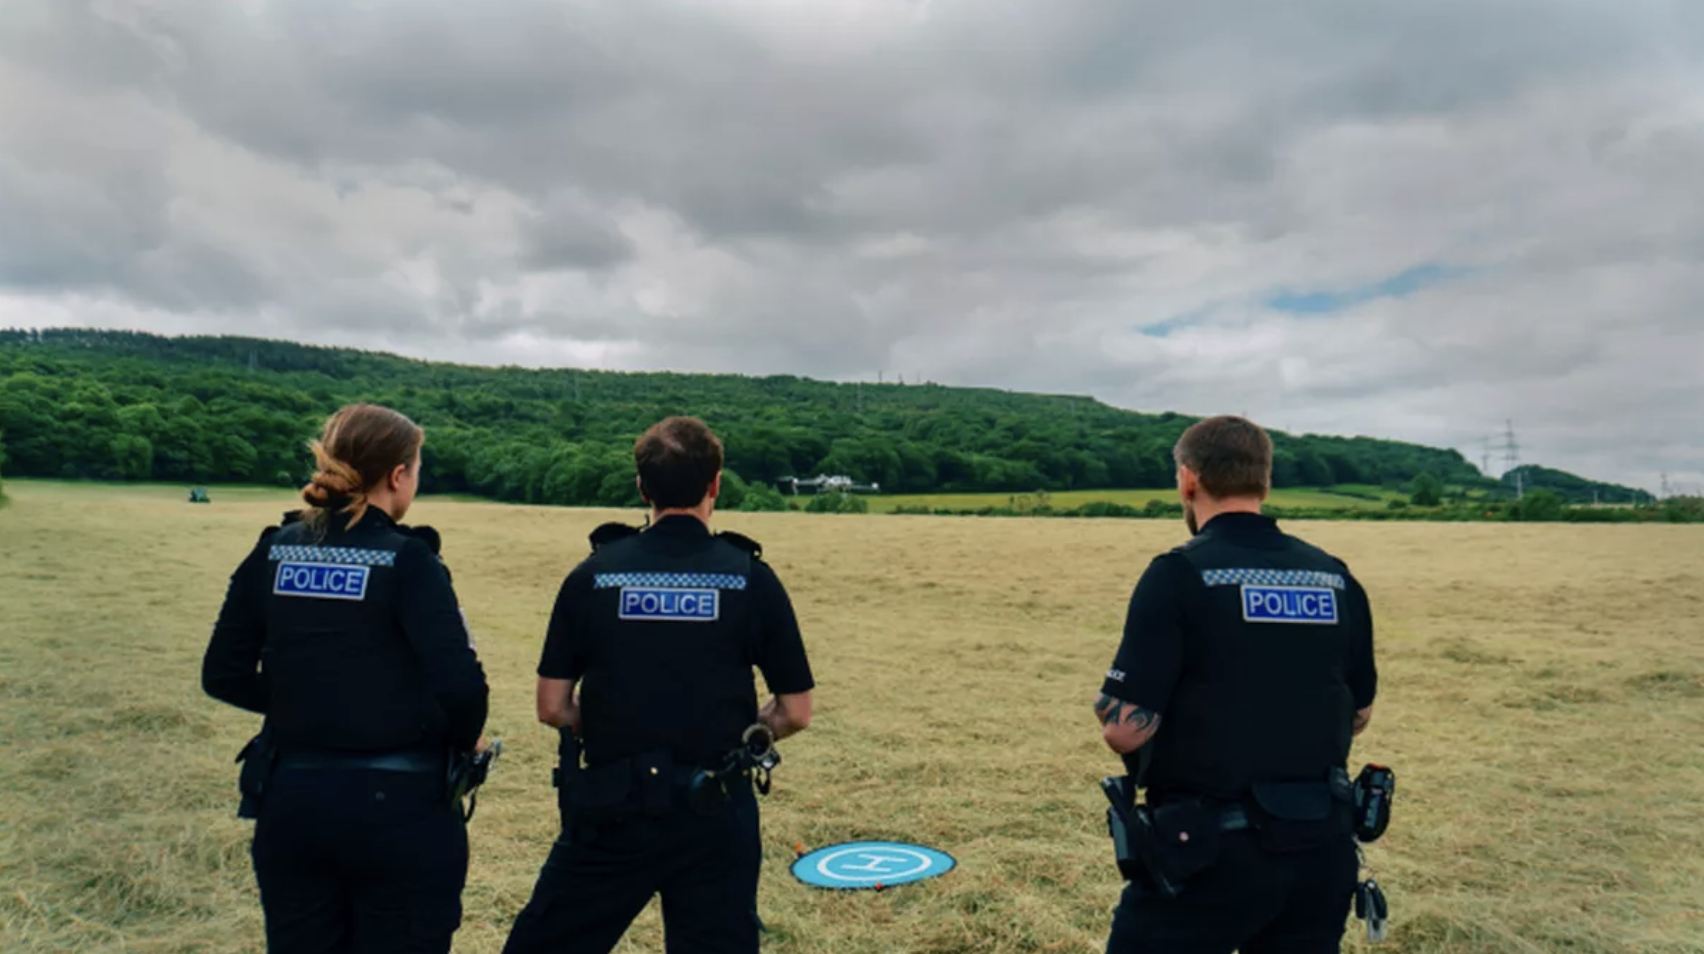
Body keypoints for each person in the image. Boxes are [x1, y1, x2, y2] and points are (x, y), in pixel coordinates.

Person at [504, 416, 815, 954]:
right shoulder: (749, 577)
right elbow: (795, 711)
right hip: (715, 808)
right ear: (715, 484)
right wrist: (746, 738)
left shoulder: (593, 576)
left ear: (641, 486)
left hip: (611, 806)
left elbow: (552, 706)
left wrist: (609, 729)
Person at [201, 403, 490, 954]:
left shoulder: (274, 550)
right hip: (401, 813)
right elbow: (461, 688)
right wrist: (436, 730)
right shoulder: (408, 560)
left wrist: (301, 705)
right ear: (398, 475)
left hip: (292, 802)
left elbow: (222, 674)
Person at [1095, 415, 1378, 954]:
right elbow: (1358, 713)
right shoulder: (1334, 576)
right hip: (1322, 852)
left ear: (1187, 479)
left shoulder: (1180, 573)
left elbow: (1124, 731)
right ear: (1265, 482)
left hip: (1207, 854)